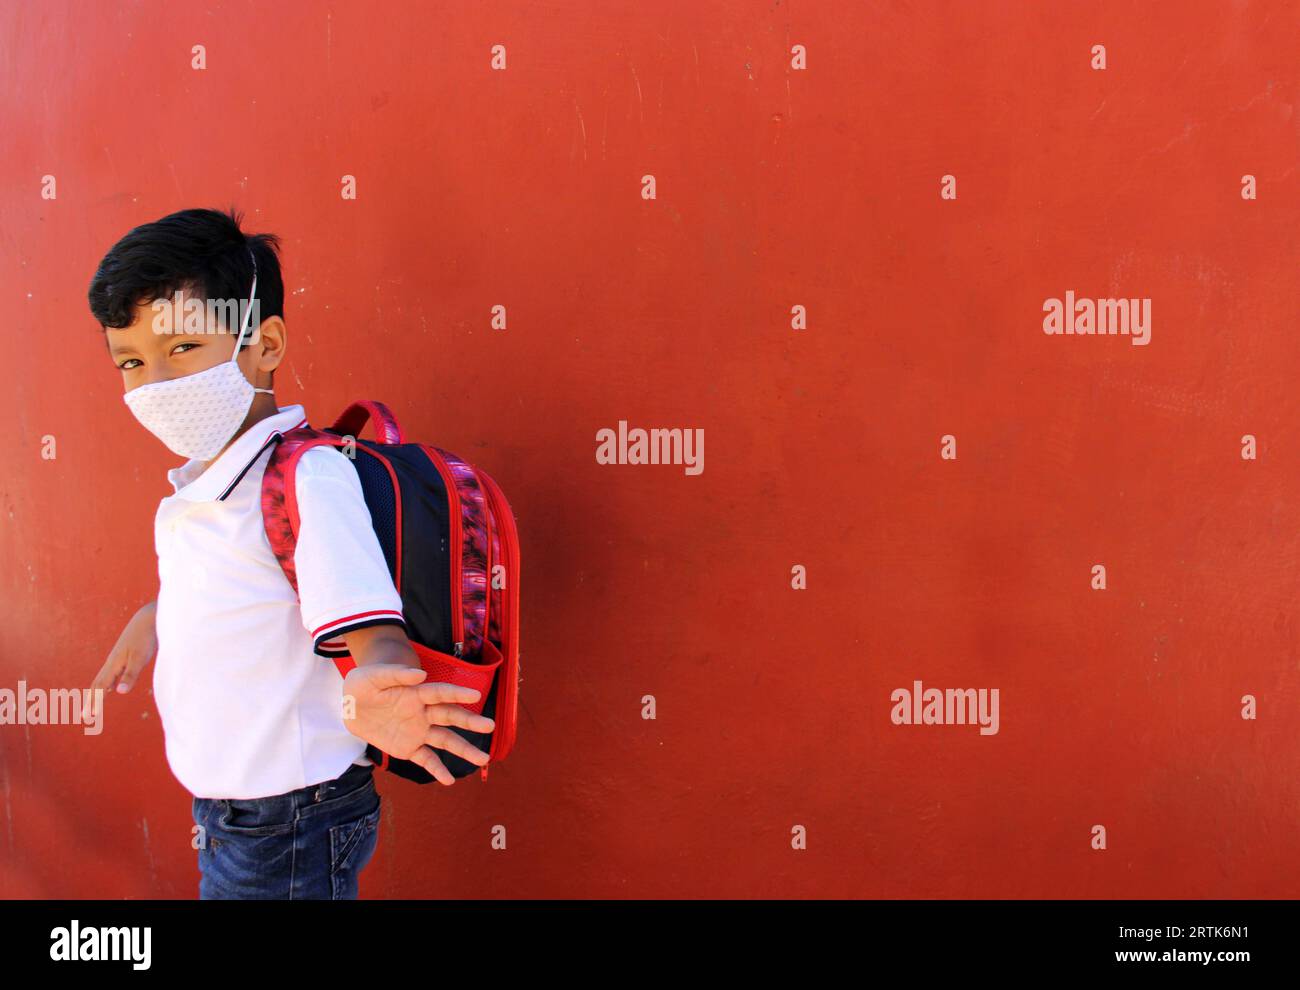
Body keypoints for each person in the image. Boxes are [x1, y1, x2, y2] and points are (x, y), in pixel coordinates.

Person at [87, 206, 494, 898]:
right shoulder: (205, 486)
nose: (154, 382)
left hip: (290, 821)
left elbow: (374, 635)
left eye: (182, 349)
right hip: (233, 815)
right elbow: (246, 579)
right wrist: (159, 613)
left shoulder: (306, 478)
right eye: (131, 361)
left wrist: (384, 688)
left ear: (266, 343)